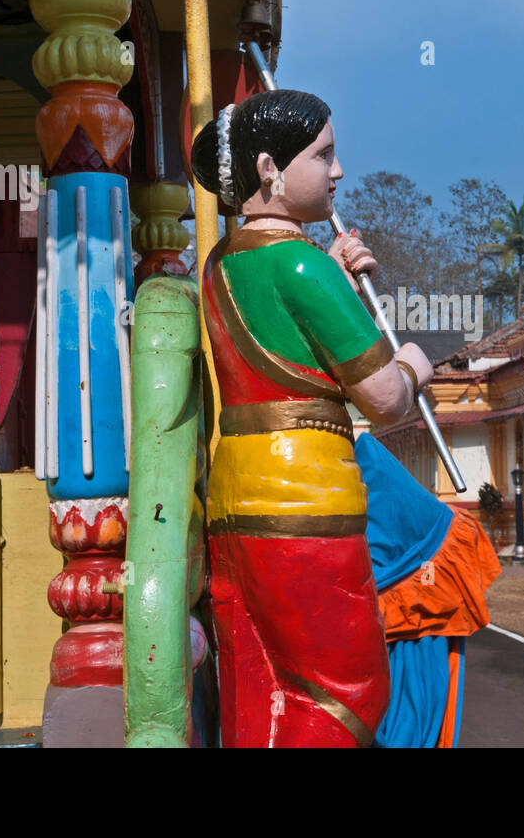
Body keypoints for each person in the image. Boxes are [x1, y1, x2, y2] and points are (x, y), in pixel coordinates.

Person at [189, 89, 434, 747]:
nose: (338, 170)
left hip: (236, 500)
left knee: (259, 686)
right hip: (306, 508)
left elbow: (282, 346)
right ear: (270, 167)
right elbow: (383, 399)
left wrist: (335, 277)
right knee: (344, 693)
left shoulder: (219, 265)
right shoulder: (300, 264)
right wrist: (413, 364)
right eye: (323, 154)